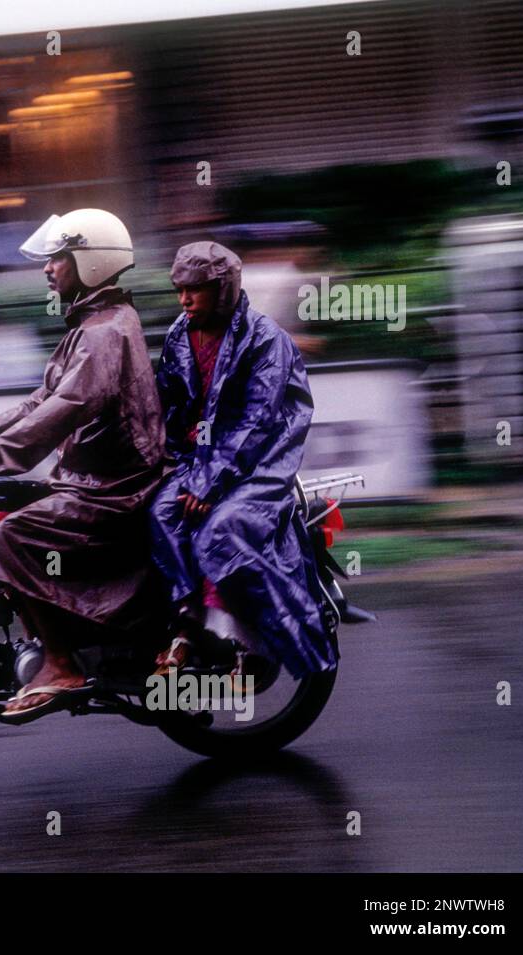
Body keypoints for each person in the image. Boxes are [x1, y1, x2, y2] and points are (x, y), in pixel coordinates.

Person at [0, 209, 168, 719]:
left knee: (10, 536)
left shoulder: (102, 334)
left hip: (114, 489)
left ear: (89, 262)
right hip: (95, 479)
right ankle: (53, 641)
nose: (48, 269)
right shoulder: (92, 324)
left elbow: (62, 413)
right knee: (1, 507)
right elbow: (39, 402)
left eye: (58, 258)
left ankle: (62, 664)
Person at [147, 240, 337, 683]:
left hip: (260, 465)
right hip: (202, 463)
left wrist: (210, 480)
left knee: (221, 530)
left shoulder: (267, 339)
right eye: (179, 289)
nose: (184, 299)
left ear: (224, 289)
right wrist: (158, 453)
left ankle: (251, 645)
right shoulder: (180, 334)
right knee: (160, 513)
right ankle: (188, 619)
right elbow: (168, 404)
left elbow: (257, 423)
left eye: (195, 289)